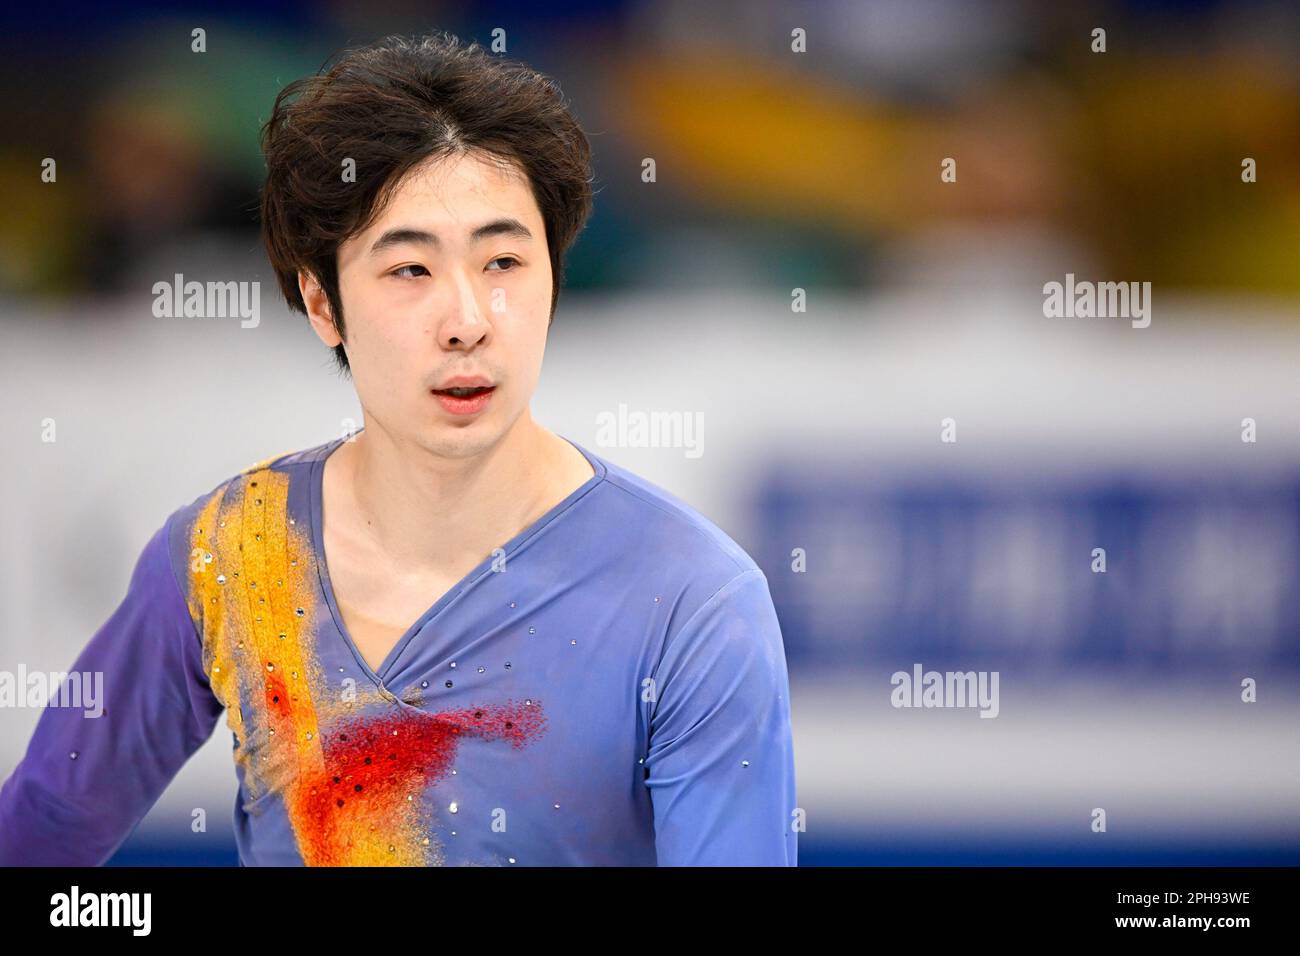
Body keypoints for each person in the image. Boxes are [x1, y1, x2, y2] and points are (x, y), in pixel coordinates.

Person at [0, 32, 797, 866]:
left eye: (504, 261)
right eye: (410, 269)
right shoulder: (234, 553)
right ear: (322, 302)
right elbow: (47, 828)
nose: (467, 320)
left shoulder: (692, 602)